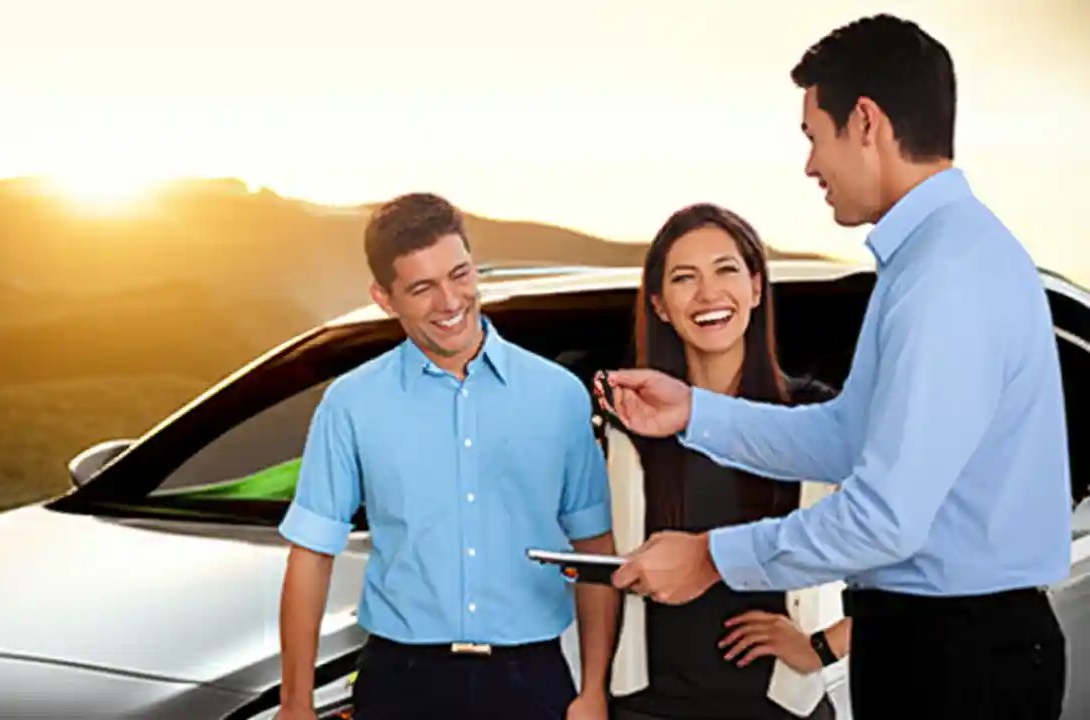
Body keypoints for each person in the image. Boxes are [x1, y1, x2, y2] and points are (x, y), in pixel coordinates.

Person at [599, 13, 1071, 720]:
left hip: (960, 659)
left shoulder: (947, 275)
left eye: (814, 136)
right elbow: (848, 440)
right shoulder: (929, 262)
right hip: (933, 643)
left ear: (867, 123)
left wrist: (708, 558)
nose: (811, 165)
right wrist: (697, 413)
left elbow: (884, 519)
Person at [275, 192, 620, 720]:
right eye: (422, 288)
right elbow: (311, 555)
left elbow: (594, 547)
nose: (450, 301)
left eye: (459, 274)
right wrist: (294, 703)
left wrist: (593, 688)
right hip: (401, 683)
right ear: (385, 298)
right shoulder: (351, 405)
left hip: (533, 680)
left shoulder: (558, 396)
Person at [601, 203, 849, 720]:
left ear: (756, 287)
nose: (708, 294)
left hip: (783, 706)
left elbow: (913, 543)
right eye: (684, 278)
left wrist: (824, 646)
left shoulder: (815, 419)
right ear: (661, 305)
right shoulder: (627, 429)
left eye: (726, 270)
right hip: (649, 709)